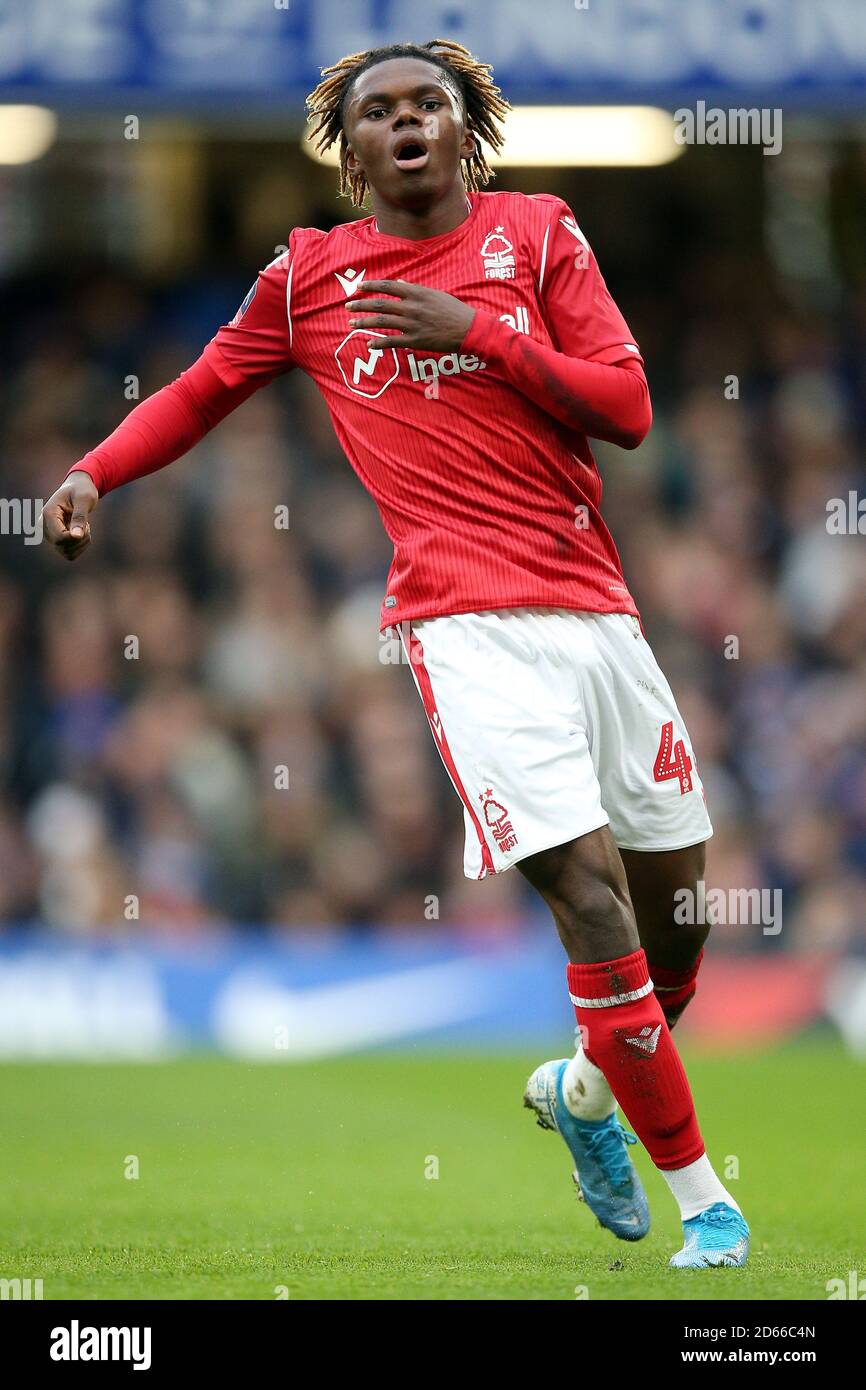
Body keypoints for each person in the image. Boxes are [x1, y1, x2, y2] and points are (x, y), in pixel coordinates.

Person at [42, 39, 749, 1269]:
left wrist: (479, 332)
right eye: (381, 111)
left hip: (598, 615)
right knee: (584, 891)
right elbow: (204, 389)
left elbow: (627, 409)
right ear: (350, 147)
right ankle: (707, 1205)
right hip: (459, 625)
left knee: (673, 911)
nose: (406, 120)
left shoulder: (537, 236)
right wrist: (92, 470)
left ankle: (583, 1098)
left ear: (465, 130)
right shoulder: (309, 276)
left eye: (430, 103)